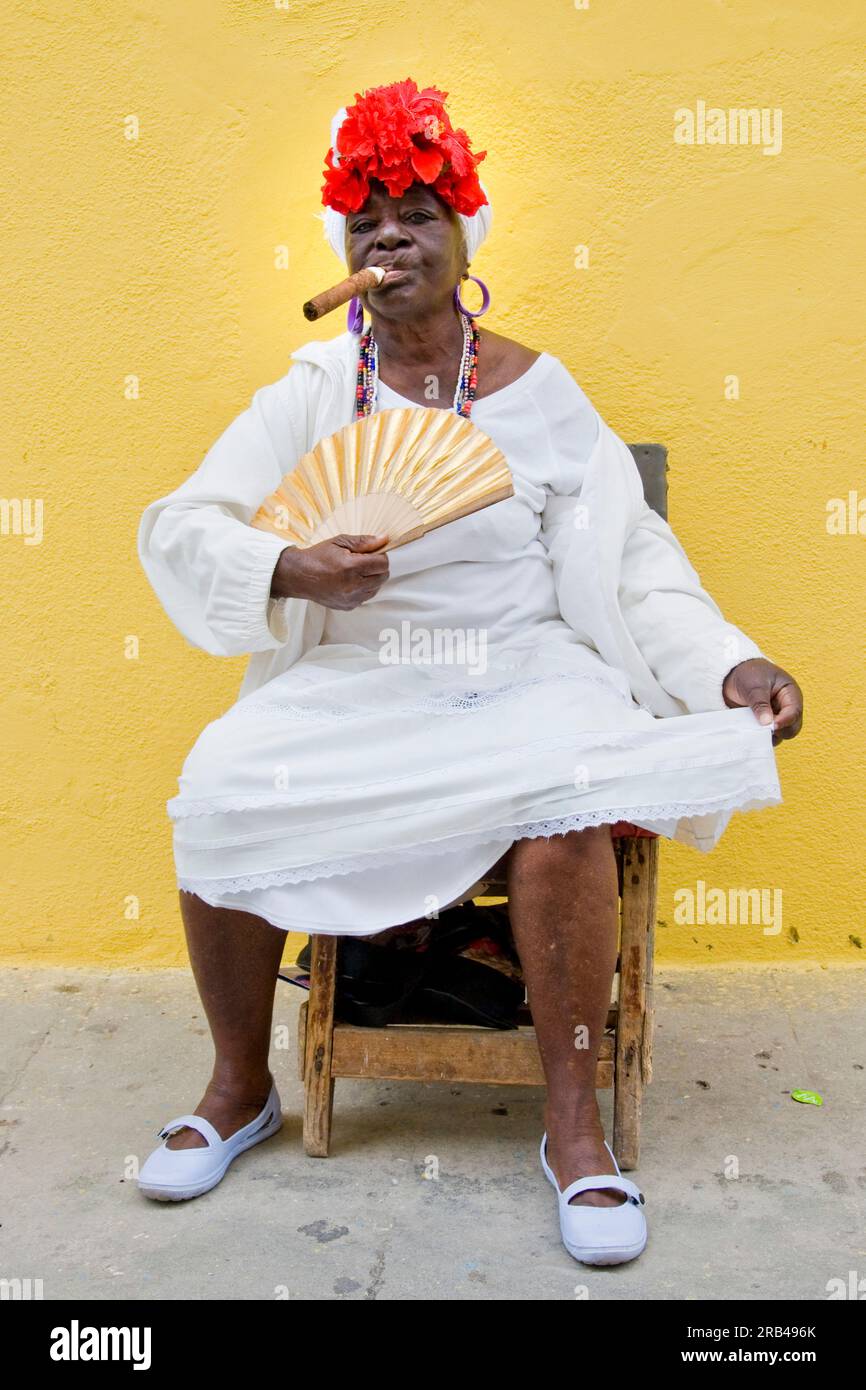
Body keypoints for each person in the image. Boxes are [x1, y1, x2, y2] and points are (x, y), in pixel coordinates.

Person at [135, 79, 803, 1265]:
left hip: (521, 671)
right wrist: (292, 568)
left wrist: (726, 666)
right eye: (366, 219)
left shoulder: (536, 394)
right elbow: (183, 526)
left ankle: (570, 1125)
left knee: (564, 811)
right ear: (345, 251)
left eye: (417, 213)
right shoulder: (308, 393)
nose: (387, 235)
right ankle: (241, 1086)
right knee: (223, 783)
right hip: (360, 679)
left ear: (463, 241)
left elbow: (635, 562)